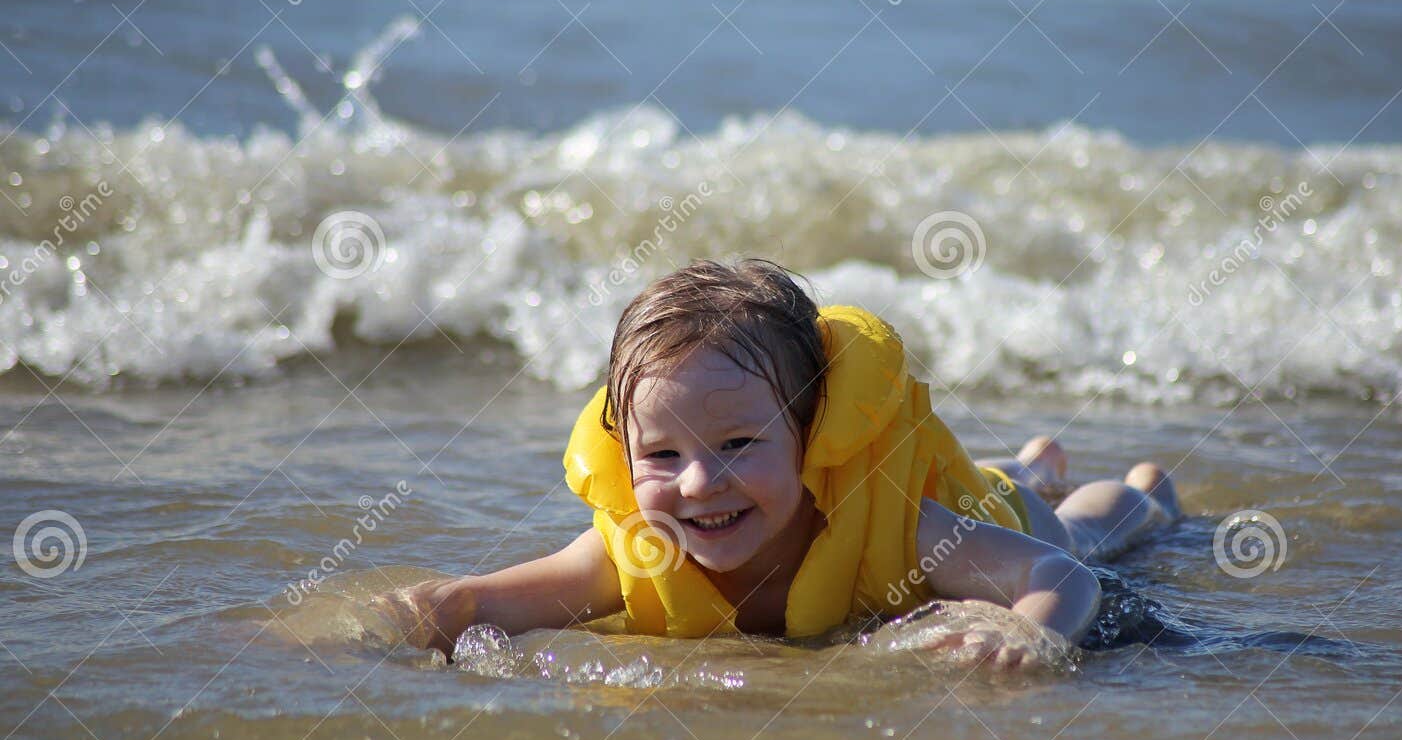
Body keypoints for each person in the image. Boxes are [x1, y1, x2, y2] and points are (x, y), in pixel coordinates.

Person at [376, 259, 1180, 669]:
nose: (699, 482)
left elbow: (1062, 577)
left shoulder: (902, 528)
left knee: (1079, 527)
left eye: (738, 444)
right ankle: (1036, 457)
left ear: (812, 435)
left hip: (998, 513)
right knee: (1028, 481)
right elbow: (475, 601)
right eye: (663, 454)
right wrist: (388, 627)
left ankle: (1137, 490)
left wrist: (1027, 634)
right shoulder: (634, 551)